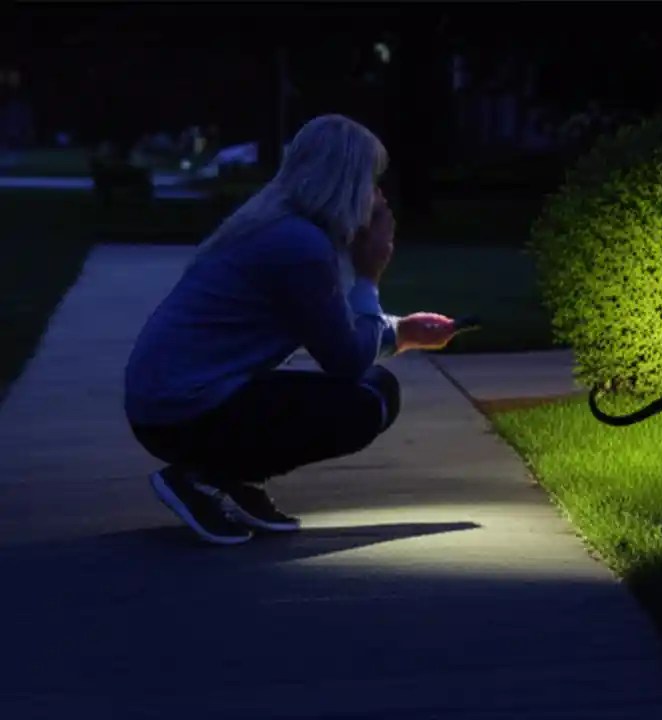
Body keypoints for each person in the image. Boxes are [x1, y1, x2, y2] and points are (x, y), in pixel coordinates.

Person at [125, 114, 458, 546]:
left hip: (171, 404)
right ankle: (202, 477)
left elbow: (331, 330)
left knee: (373, 385)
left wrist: (403, 332)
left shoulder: (279, 227)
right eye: (371, 181)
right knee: (367, 401)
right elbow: (345, 362)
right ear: (345, 182)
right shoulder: (300, 247)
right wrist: (370, 275)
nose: (377, 197)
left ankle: (227, 477)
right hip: (183, 412)